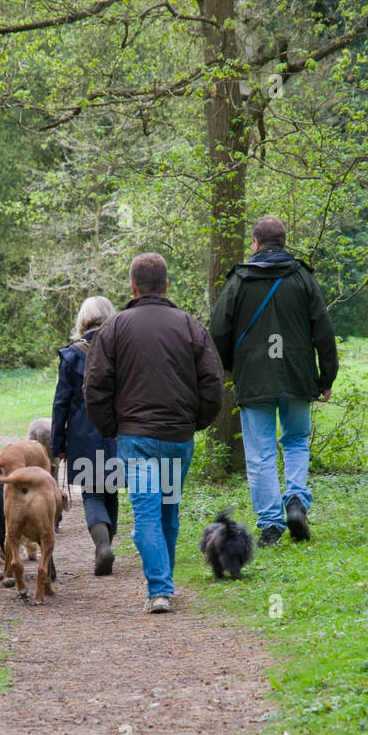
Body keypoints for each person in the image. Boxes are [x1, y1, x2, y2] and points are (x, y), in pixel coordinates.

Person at [84, 253, 224, 614]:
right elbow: (213, 381)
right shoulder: (191, 326)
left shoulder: (113, 329)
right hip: (177, 441)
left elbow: (96, 385)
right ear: (165, 285)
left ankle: (160, 589)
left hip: (137, 439)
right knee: (167, 511)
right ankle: (164, 584)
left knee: (147, 513)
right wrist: (197, 422)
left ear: (132, 287)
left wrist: (111, 428)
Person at [209, 215, 338, 546]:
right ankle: (295, 501)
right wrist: (327, 376)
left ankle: (271, 524)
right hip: (296, 374)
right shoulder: (303, 278)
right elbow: (323, 330)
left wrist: (229, 367)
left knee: (261, 452)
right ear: (284, 242)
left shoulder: (239, 280)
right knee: (295, 440)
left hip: (253, 378)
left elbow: (219, 330)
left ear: (255, 244)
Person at [51, 296, 119, 576]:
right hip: (116, 433)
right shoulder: (122, 350)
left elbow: (61, 403)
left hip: (82, 434)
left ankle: (102, 545)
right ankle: (105, 546)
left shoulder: (72, 356)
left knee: (92, 494)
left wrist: (57, 443)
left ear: (82, 321)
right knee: (111, 491)